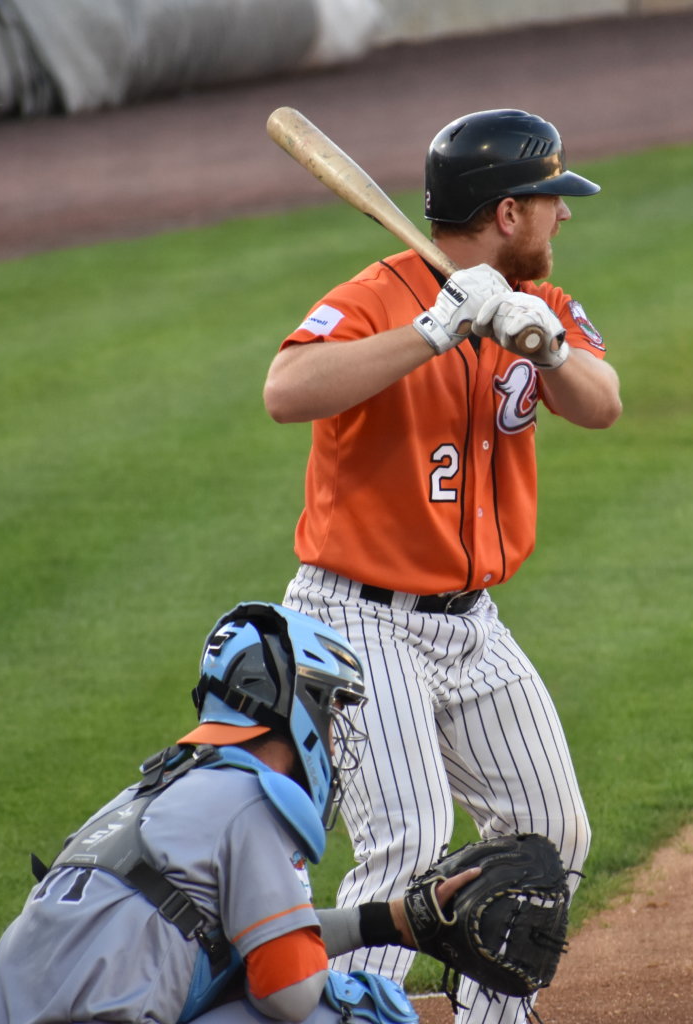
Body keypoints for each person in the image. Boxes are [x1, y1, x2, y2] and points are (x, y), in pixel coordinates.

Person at [262, 108, 621, 1023]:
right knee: (407, 846)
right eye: (551, 201)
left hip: (473, 626)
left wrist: (546, 345)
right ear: (508, 212)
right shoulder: (379, 296)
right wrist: (432, 331)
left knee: (551, 831)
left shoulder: (541, 300)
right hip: (358, 617)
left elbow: (603, 405)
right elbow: (286, 389)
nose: (564, 218)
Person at [0, 602, 478, 1024]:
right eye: (330, 708)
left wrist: (392, 922)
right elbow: (290, 992)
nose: (333, 732)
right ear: (294, 705)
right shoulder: (251, 800)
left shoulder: (149, 794)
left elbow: (235, 938)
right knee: (360, 1011)